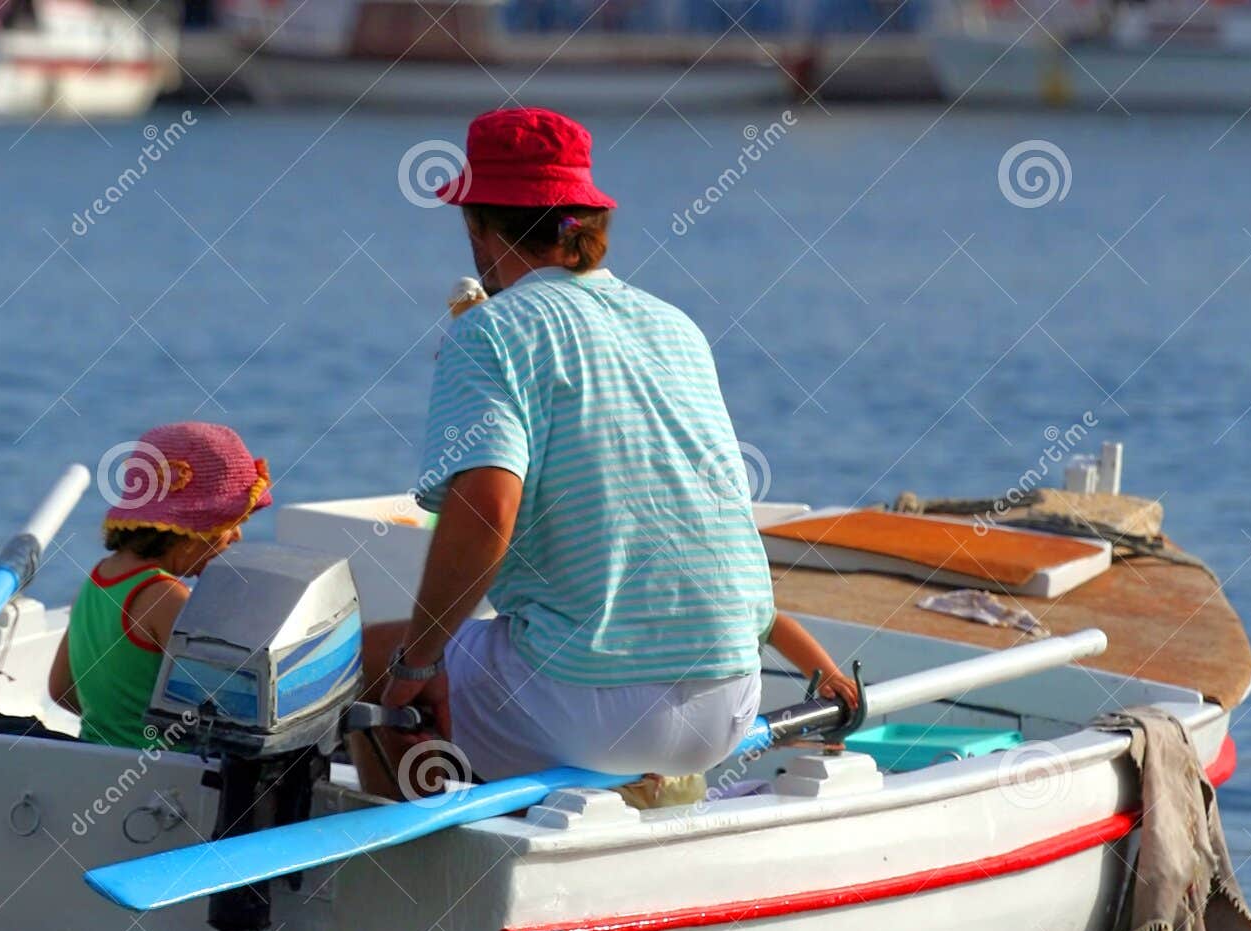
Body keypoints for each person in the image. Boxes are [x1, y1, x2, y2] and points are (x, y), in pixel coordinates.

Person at [350, 106, 857, 797]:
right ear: (589, 221)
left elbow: (489, 514)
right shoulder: (677, 327)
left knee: (366, 662)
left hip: (591, 712)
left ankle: (422, 881)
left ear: (476, 222)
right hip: (733, 700)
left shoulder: (488, 333)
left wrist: (417, 665)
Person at [48, 422, 270, 748]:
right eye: (231, 524)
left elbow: (61, 689)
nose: (237, 537)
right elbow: (226, 706)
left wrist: (119, 723)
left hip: (94, 763)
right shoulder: (167, 598)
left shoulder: (95, 581)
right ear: (191, 529)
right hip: (167, 778)